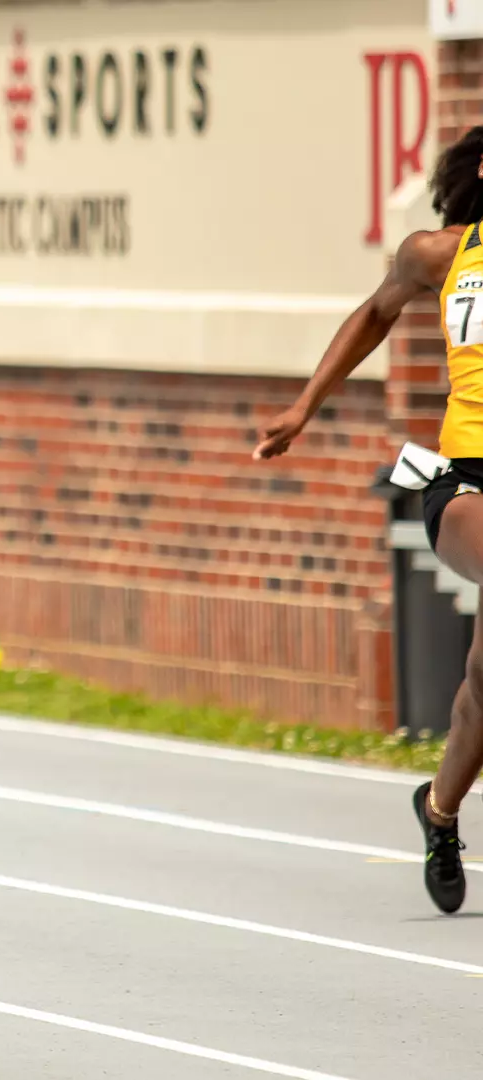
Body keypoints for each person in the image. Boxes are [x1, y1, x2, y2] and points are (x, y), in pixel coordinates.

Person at [255, 125, 483, 916]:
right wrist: (302, 406)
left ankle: (440, 811)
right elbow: (372, 315)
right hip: (465, 484)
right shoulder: (442, 254)